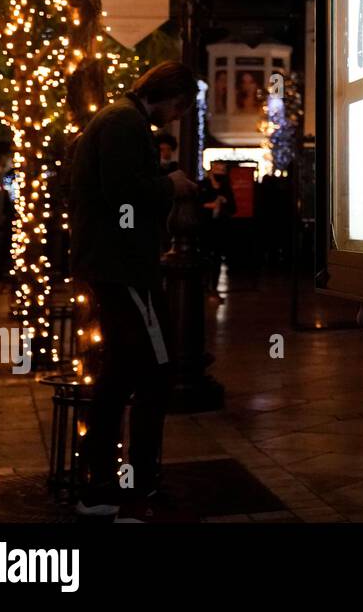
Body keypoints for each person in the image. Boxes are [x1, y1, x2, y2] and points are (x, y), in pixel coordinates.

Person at [69, 61, 198, 518]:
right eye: (181, 107)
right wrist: (170, 184)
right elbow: (121, 192)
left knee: (123, 373)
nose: (178, 117)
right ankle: (130, 485)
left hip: (117, 267)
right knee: (153, 370)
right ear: (171, 94)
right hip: (124, 270)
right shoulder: (125, 121)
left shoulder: (118, 118)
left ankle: (107, 484)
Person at [198, 159, 236, 290]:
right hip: (206, 227)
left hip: (221, 228)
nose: (220, 172)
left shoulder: (226, 188)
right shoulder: (203, 185)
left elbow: (233, 208)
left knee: (217, 258)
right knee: (204, 256)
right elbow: (196, 204)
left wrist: (224, 202)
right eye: (217, 169)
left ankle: (213, 287)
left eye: (222, 170)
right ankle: (203, 285)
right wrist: (208, 206)